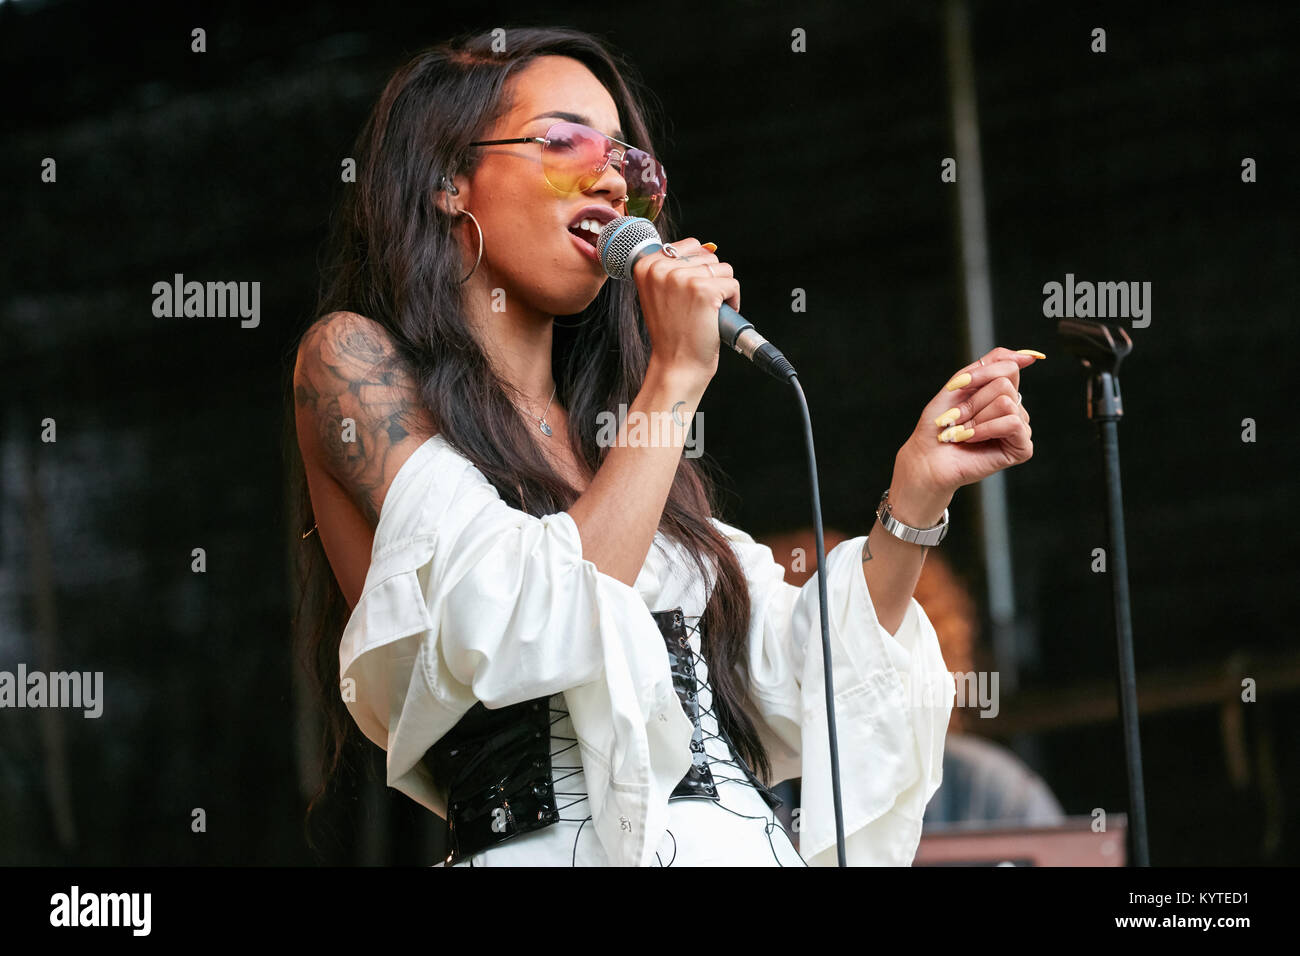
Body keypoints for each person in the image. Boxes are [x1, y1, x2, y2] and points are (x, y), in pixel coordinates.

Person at [286, 26, 1041, 866]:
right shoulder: (352, 361)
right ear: (447, 179)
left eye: (627, 160)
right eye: (565, 141)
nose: (610, 175)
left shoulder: (618, 434)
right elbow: (515, 625)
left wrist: (915, 496)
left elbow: (799, 685)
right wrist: (675, 379)